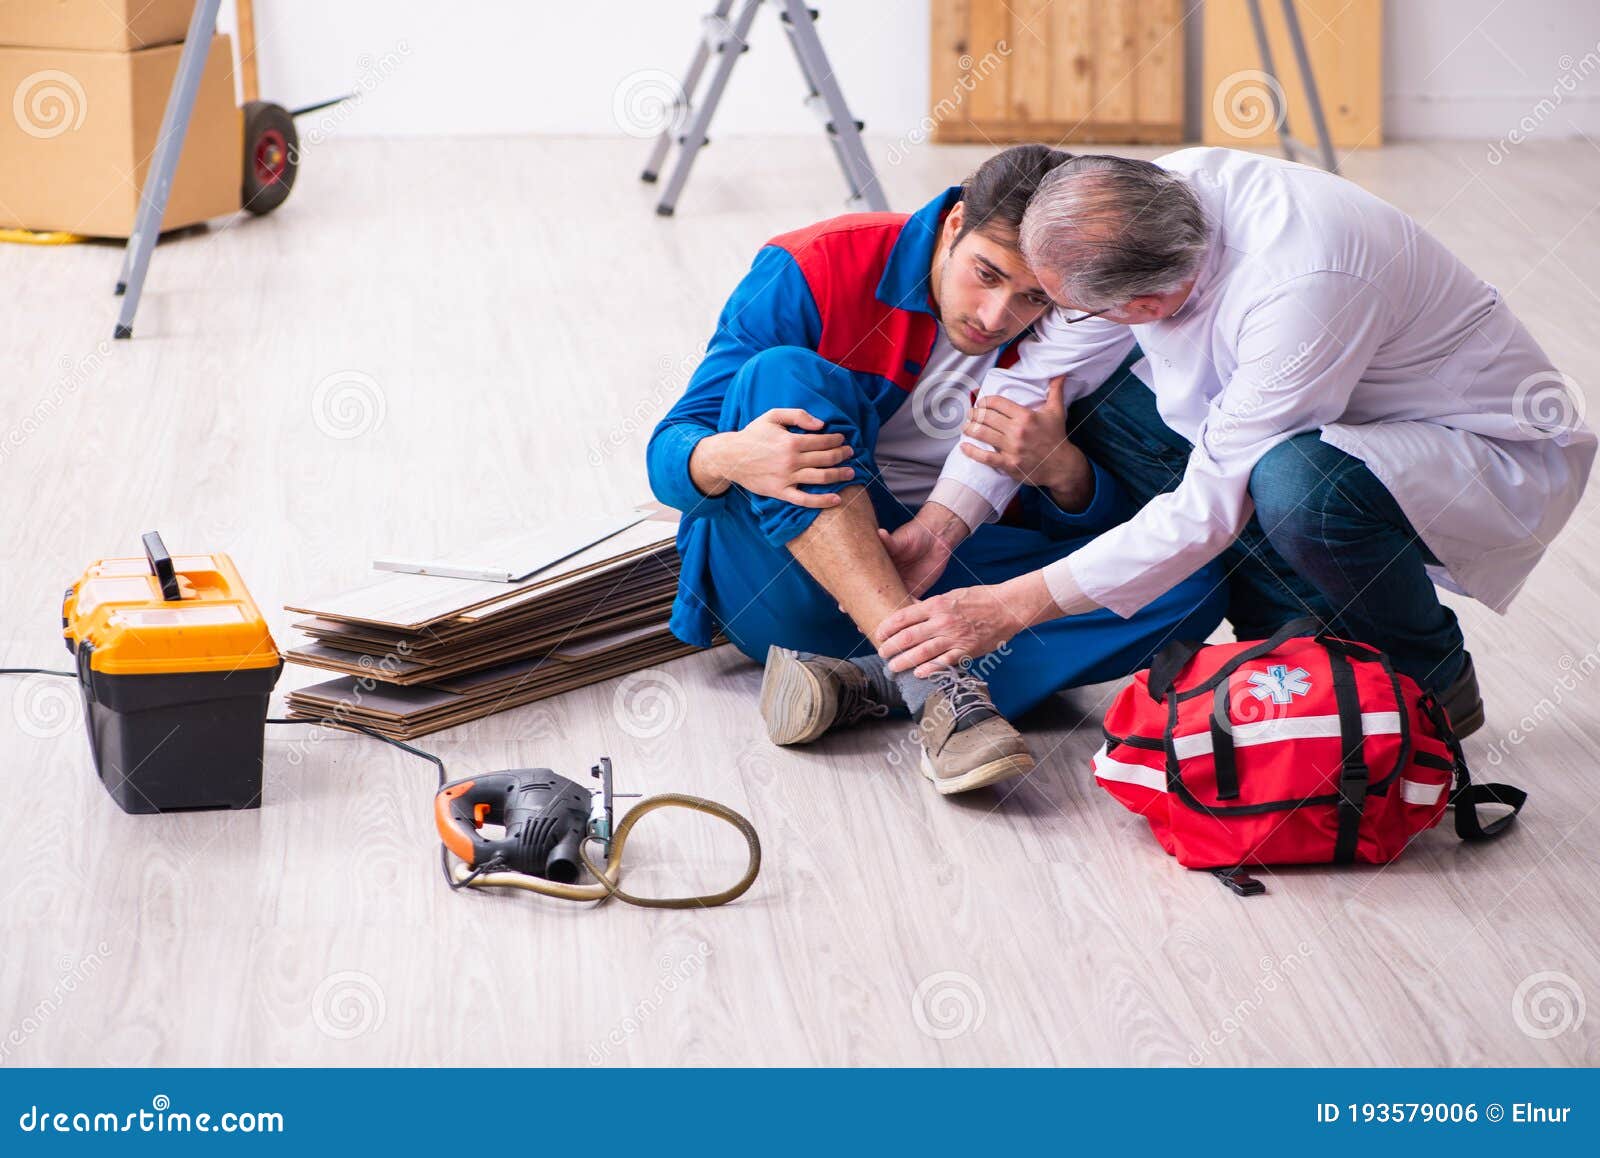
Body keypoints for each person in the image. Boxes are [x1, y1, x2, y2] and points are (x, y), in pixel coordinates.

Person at [875, 148, 1596, 738]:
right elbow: (1039, 373)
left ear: (1148, 308)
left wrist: (1010, 605)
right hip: (1314, 411)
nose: (1040, 321)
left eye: (1065, 309)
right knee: (1095, 397)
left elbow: (1210, 505)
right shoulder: (1148, 201)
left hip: (1477, 448)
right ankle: (1288, 627)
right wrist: (942, 527)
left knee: (1294, 484)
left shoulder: (1303, 286)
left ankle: (1431, 675)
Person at [646, 145, 1225, 796]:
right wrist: (727, 455)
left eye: (1032, 297)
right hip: (789, 581)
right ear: (954, 224)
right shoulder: (816, 265)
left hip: (946, 590)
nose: (995, 317)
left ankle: (860, 682)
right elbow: (667, 454)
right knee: (780, 374)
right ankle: (933, 685)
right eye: (986, 274)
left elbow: (1110, 526)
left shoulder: (1075, 318)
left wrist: (1064, 474)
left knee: (1191, 582)